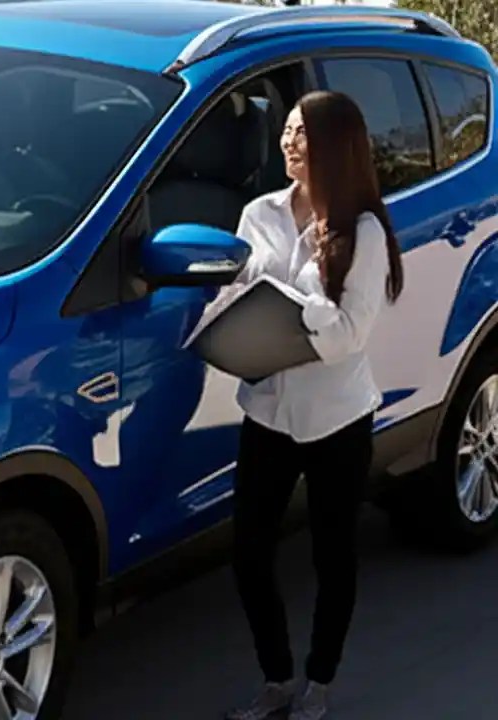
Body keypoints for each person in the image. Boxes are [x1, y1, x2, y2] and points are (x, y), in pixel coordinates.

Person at [223, 90, 405, 720]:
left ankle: (318, 684)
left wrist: (292, 309)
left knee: (333, 557)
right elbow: (237, 295)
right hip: (268, 411)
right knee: (249, 553)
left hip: (337, 420)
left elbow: (351, 332)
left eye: (302, 133)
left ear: (335, 145)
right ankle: (275, 678)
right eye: (288, 130)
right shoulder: (259, 215)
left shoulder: (365, 231)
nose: (288, 141)